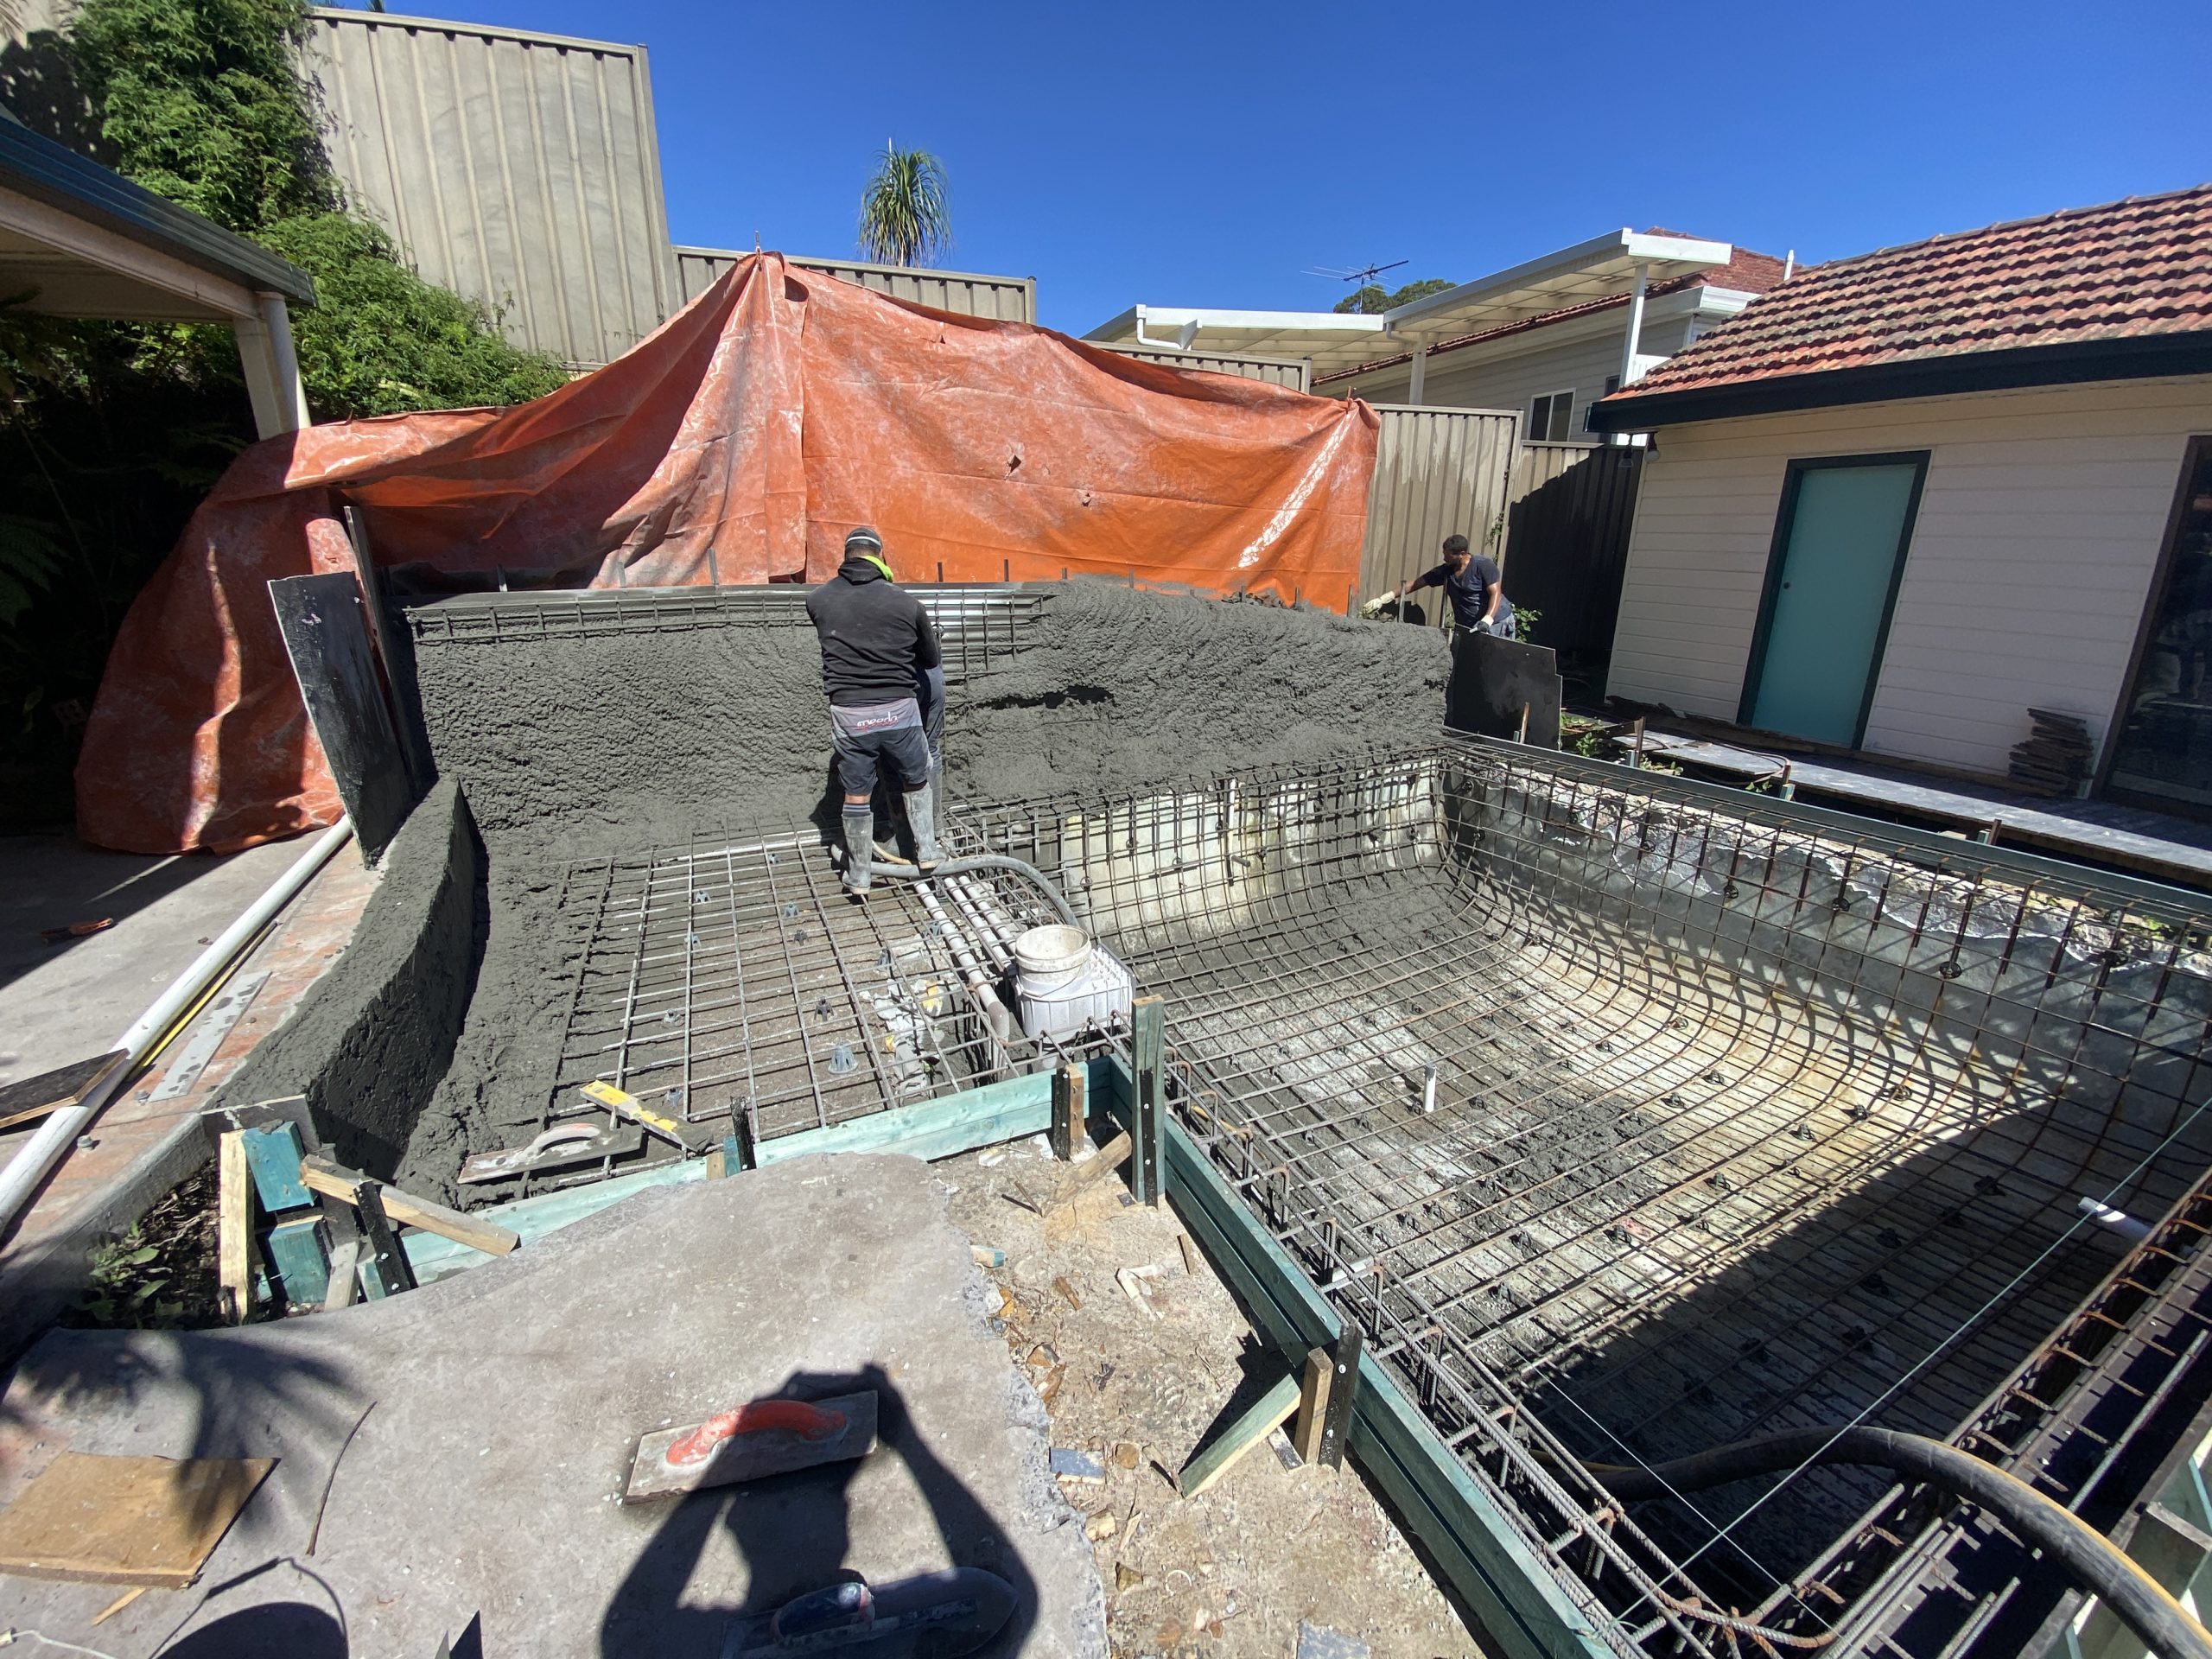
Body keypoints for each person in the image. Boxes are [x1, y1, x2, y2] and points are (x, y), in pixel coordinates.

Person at [805, 527, 942, 896]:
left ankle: (860, 876)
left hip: (851, 717)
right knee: (916, 777)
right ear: (882, 557)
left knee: (857, 794)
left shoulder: (818, 600)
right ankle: (927, 852)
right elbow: (930, 660)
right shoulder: (906, 603)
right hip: (900, 714)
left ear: (847, 556)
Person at [1367, 533, 1515, 639]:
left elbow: (1495, 593)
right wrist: (1384, 598)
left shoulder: (1482, 565)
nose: (1444, 558)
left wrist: (1487, 620)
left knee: (1496, 664)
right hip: (1471, 625)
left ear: (1462, 554)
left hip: (1497, 621)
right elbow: (1416, 583)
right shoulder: (1447, 570)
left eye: (1448, 555)